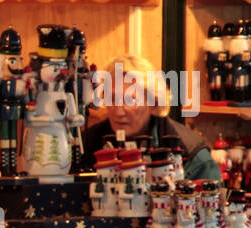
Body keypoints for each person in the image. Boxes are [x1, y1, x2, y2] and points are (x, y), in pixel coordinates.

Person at [82, 56, 222, 181]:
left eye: (130, 101)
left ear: (154, 102)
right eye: (112, 99)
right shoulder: (87, 144)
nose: (118, 111)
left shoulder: (191, 153)